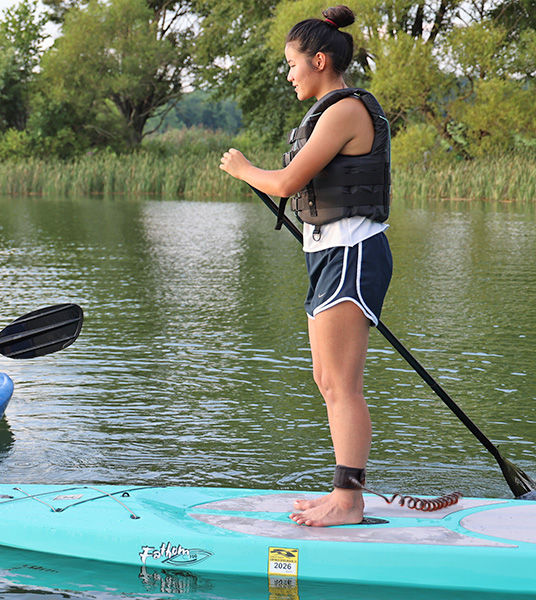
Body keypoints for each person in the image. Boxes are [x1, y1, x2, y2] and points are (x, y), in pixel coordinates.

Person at [219, 5, 393, 527]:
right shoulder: (327, 110)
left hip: (352, 254)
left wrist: (244, 169)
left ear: (319, 60)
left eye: (293, 64)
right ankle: (342, 491)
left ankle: (350, 500)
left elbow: (286, 183)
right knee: (327, 378)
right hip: (328, 254)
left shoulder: (344, 110)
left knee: (343, 383)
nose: (289, 74)